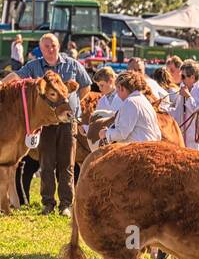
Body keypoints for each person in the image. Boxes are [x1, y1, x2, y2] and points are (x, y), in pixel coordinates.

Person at [16, 32, 92, 216]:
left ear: (59, 47)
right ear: (41, 49)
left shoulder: (72, 64)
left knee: (67, 163)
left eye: (53, 46)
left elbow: (86, 85)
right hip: (46, 123)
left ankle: (66, 204)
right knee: (46, 163)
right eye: (46, 47)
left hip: (68, 122)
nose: (50, 49)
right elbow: (17, 77)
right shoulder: (34, 66)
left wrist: (75, 106)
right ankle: (48, 203)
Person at [105, 72, 162, 144]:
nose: (118, 95)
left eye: (117, 90)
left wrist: (106, 133)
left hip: (138, 148)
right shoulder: (143, 100)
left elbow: (121, 133)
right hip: (151, 145)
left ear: (121, 88)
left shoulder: (130, 102)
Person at [175, 60, 199, 149]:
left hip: (195, 141)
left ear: (193, 77)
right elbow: (177, 111)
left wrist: (188, 97)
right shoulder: (182, 89)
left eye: (183, 76)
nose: (181, 80)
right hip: (180, 138)